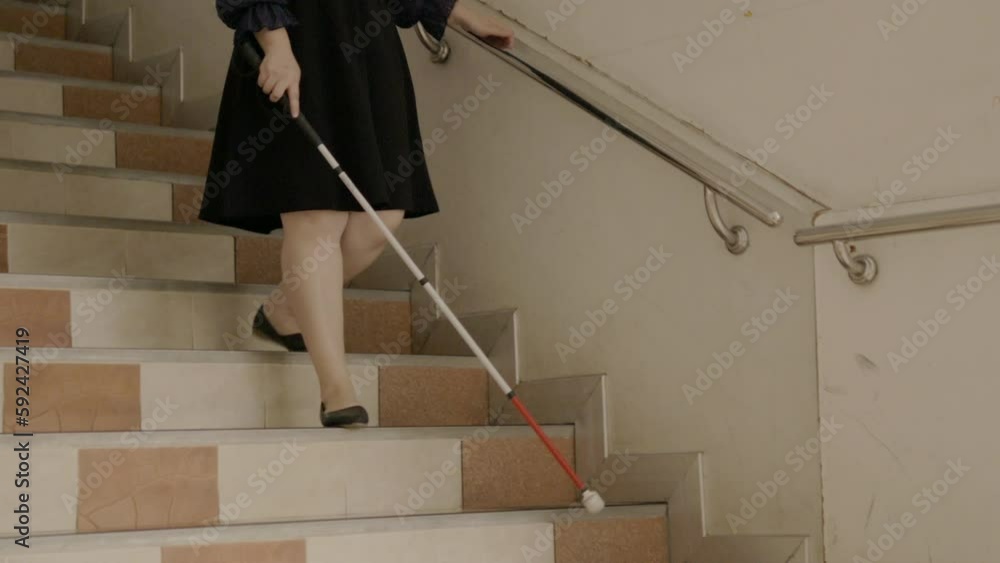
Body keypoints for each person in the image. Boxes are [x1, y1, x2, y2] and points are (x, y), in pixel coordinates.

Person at [201, 0, 514, 427]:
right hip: (298, 43)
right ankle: (336, 390)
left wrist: (454, 10)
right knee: (317, 215)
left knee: (382, 217)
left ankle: (286, 312)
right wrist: (274, 43)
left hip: (370, 47)